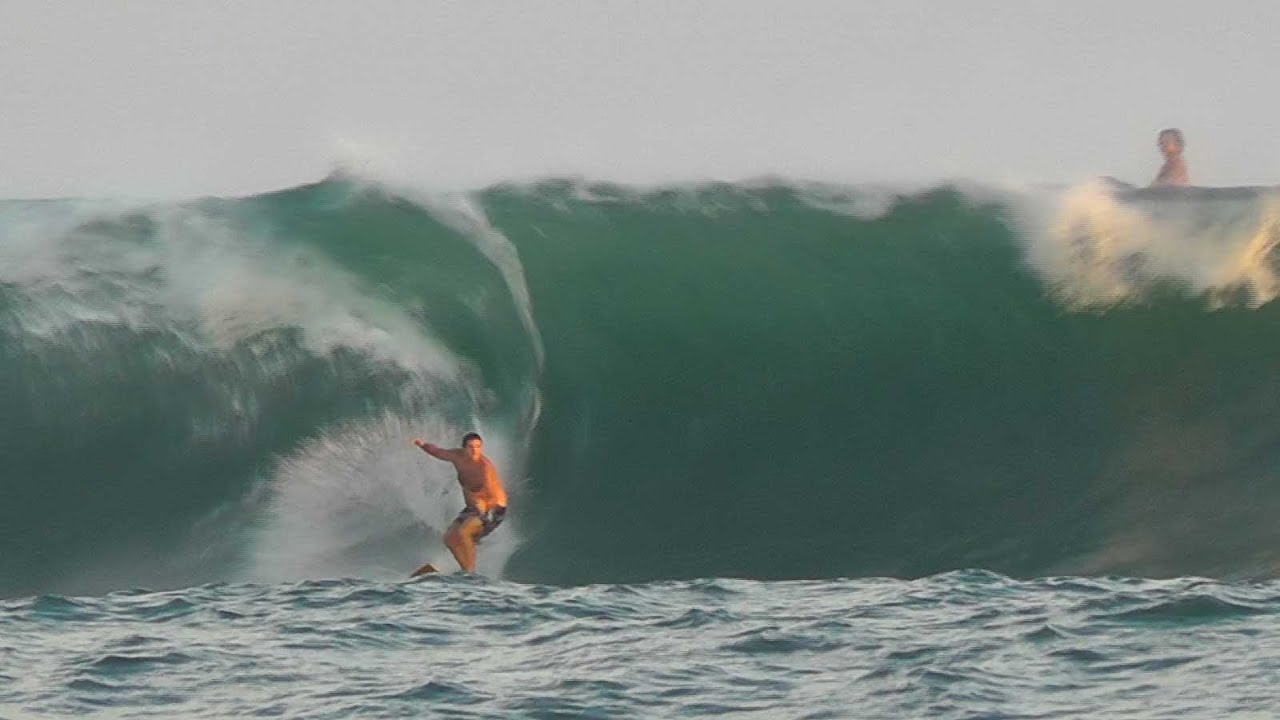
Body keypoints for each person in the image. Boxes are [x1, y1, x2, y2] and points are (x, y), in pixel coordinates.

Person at [409, 432, 508, 575]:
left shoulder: (485, 468)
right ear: (463, 448)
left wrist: (485, 506)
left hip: (494, 508)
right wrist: (422, 445)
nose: (475, 450)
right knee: (449, 538)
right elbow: (438, 452)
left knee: (463, 532)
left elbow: (493, 496)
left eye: (478, 447)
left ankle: (470, 573)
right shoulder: (458, 457)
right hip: (473, 508)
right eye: (470, 447)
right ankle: (465, 569)